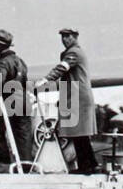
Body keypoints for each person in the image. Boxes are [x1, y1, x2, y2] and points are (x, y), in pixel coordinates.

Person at [38, 27, 98, 174]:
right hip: (74, 96)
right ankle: (90, 164)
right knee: (80, 134)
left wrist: (45, 80)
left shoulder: (73, 53)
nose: (64, 39)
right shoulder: (74, 52)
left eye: (67, 36)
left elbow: (61, 69)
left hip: (78, 98)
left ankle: (87, 167)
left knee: (79, 134)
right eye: (63, 36)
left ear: (75, 37)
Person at [0, 28, 31, 166]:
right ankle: (26, 165)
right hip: (24, 101)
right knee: (23, 134)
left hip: (9, 102)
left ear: (0, 45)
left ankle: (3, 160)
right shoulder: (21, 61)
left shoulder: (3, 62)